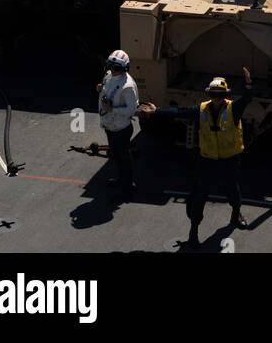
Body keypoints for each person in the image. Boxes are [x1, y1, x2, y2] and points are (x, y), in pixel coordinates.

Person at [142, 71, 252, 248]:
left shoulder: (234, 109)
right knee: (198, 196)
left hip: (228, 159)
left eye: (220, 95)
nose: (216, 98)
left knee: (232, 190)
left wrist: (248, 84)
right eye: (213, 94)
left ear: (226, 95)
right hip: (207, 160)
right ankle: (193, 231)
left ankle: (236, 214)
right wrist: (157, 111)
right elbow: (179, 112)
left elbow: (247, 98)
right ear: (209, 94)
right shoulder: (201, 110)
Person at [97, 49, 139, 198]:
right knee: (116, 156)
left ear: (124, 69)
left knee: (124, 158)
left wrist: (112, 109)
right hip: (110, 125)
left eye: (116, 68)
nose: (113, 71)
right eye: (111, 67)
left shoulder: (128, 86)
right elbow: (107, 92)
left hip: (121, 128)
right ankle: (121, 180)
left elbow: (131, 110)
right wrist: (101, 89)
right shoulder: (109, 77)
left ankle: (127, 188)